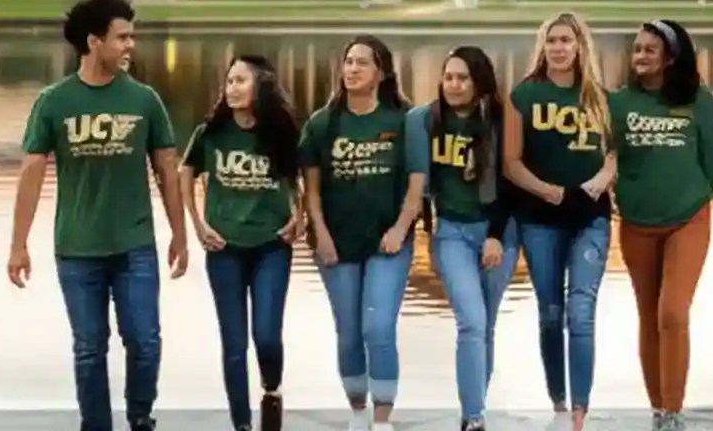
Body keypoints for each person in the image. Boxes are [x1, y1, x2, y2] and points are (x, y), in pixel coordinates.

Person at [7, 0, 188, 431]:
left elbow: (167, 169)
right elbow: (32, 172)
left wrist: (180, 234)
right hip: (77, 247)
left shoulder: (144, 100)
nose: (130, 45)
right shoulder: (54, 102)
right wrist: (18, 245)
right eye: (121, 37)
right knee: (90, 347)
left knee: (144, 342)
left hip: (135, 245)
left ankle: (141, 416)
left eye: (132, 37)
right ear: (93, 42)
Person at [299, 35, 424, 431]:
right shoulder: (322, 123)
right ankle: (357, 412)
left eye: (362, 63)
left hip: (389, 241)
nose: (352, 69)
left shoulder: (405, 120)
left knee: (378, 327)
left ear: (381, 72)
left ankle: (383, 417)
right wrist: (321, 235)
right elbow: (311, 191)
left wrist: (400, 229)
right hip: (336, 243)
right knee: (350, 331)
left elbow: (416, 187)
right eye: (348, 62)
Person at [503, 12, 616, 431]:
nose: (559, 47)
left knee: (581, 312)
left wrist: (604, 176)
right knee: (551, 312)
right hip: (540, 219)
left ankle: (580, 412)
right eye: (552, 40)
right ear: (543, 46)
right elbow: (510, 163)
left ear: (580, 46)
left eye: (567, 40)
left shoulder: (601, 98)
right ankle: (557, 401)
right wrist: (543, 189)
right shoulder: (524, 95)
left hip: (590, 217)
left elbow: (614, 152)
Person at [180, 54, 303, 431]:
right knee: (234, 346)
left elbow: (297, 178)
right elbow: (186, 173)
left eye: (240, 81)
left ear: (260, 87)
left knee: (265, 336)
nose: (231, 88)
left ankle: (271, 384)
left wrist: (301, 216)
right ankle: (242, 424)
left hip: (271, 247)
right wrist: (198, 225)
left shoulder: (281, 131)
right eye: (229, 81)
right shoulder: (211, 132)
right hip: (224, 249)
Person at [609, 19, 713, 431]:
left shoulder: (698, 100)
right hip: (636, 221)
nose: (640, 56)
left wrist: (711, 189)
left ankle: (674, 411)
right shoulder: (617, 103)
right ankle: (657, 410)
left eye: (649, 50)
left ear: (670, 57)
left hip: (687, 217)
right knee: (647, 314)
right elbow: (604, 157)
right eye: (636, 49)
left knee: (672, 312)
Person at [405, 46, 521, 431]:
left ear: (479, 82)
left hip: (498, 233)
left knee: (485, 326)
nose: (453, 85)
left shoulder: (502, 121)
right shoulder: (425, 120)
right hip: (451, 232)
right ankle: (473, 418)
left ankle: (477, 408)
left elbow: (509, 183)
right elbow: (416, 181)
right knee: (471, 322)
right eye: (448, 77)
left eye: (462, 78)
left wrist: (494, 236)